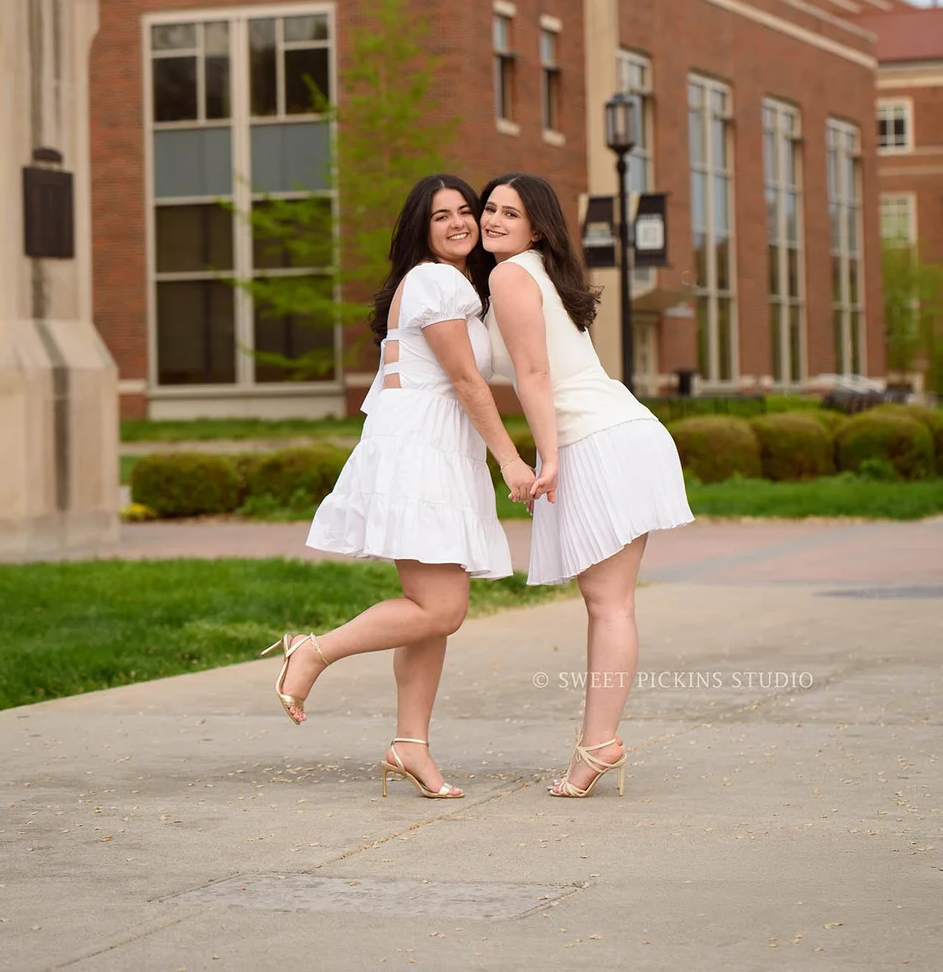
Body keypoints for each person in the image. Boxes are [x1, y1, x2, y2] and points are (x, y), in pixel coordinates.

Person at [262, 174, 539, 800]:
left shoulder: (439, 284)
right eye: (441, 216)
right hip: (424, 454)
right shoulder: (436, 281)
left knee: (430, 615)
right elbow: (469, 382)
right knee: (441, 609)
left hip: (425, 447)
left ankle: (409, 745)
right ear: (421, 227)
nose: (459, 223)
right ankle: (313, 651)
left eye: (466, 211)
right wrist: (511, 461)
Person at [479, 173, 694, 799]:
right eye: (489, 207)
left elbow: (535, 374)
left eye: (508, 213)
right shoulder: (542, 274)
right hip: (623, 431)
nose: (493, 219)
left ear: (536, 227)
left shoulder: (511, 275)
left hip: (595, 442)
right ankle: (598, 744)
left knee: (608, 605)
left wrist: (546, 456)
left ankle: (599, 746)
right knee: (614, 604)